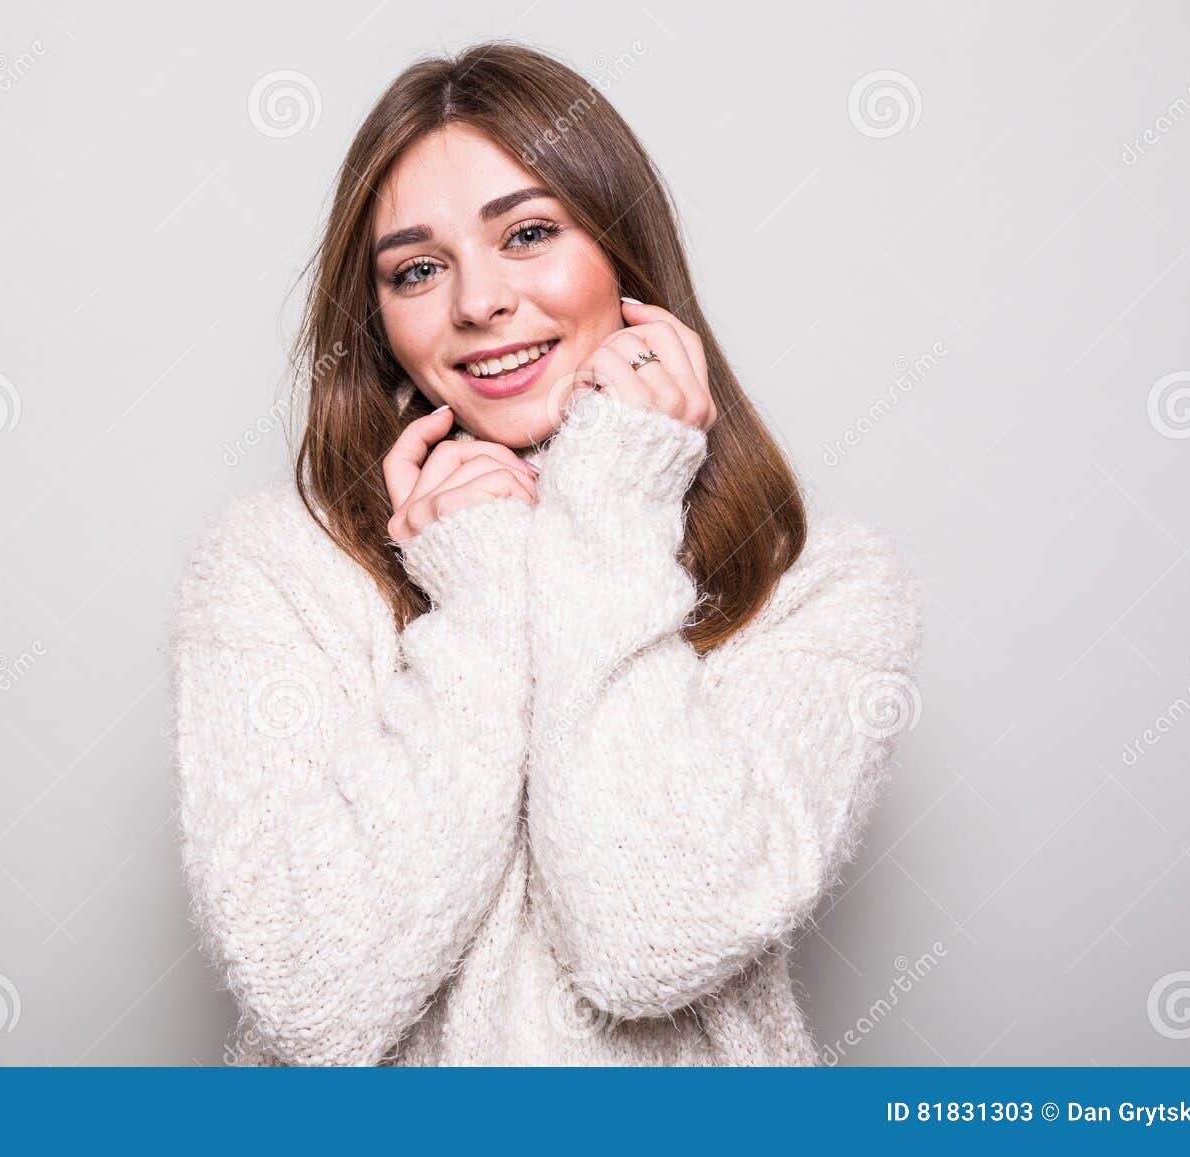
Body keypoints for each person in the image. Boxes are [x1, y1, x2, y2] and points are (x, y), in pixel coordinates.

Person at [167, 40, 925, 1066]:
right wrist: (475, 597)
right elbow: (312, 994)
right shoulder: (277, 570)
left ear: (625, 255)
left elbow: (654, 938)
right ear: (381, 318)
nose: (476, 302)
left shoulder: (818, 589)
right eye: (418, 268)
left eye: (527, 233)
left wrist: (612, 502)